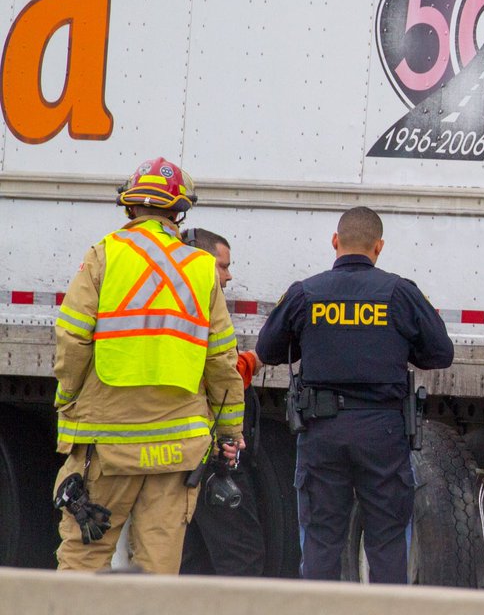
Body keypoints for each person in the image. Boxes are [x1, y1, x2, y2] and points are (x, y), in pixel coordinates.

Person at [52, 157, 245, 574]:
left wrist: (68, 399)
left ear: (131, 207)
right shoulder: (201, 268)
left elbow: (72, 338)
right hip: (175, 451)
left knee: (84, 561)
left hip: (107, 445)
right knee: (157, 572)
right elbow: (222, 362)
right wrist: (229, 431)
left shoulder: (103, 256)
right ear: (180, 213)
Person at [256, 206, 453, 583]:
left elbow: (268, 350)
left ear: (335, 242)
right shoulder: (400, 293)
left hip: (322, 431)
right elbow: (440, 354)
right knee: (388, 540)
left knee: (321, 539)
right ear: (378, 247)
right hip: (384, 432)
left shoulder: (304, 293)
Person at [179, 228, 267, 576]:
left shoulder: (174, 304)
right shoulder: (199, 308)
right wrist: (252, 360)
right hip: (209, 450)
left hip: (182, 447)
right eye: (222, 265)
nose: (229, 275)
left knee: (190, 557)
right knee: (241, 556)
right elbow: (218, 374)